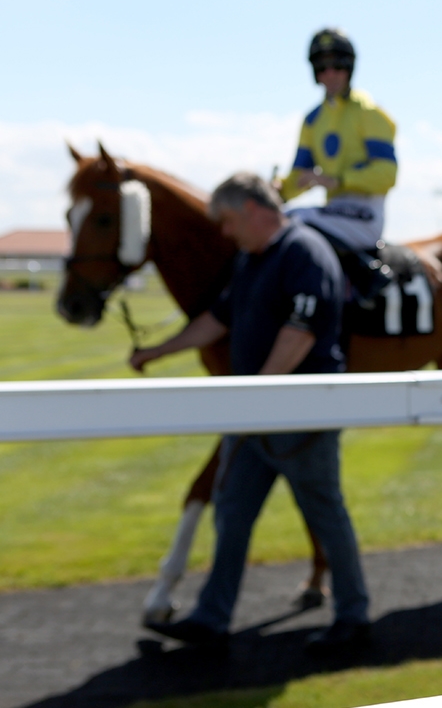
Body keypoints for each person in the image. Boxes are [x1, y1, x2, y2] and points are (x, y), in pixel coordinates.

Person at [130, 173, 371, 655]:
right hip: (255, 417)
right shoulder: (250, 258)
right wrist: (158, 351)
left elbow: (300, 333)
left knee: (326, 516)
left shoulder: (306, 252)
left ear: (254, 211)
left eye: (227, 221)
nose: (224, 232)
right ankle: (211, 617)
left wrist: (255, 395)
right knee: (232, 514)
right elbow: (216, 319)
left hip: (300, 419)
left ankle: (353, 616)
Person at [279, 28, 398, 291]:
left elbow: (388, 175)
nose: (330, 74)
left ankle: (348, 288)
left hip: (365, 214)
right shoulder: (312, 120)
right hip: (332, 214)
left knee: (292, 222)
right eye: (322, 68)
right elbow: (298, 178)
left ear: (349, 67)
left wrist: (337, 181)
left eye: (337, 66)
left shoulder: (370, 112)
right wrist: (274, 192)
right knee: (273, 220)